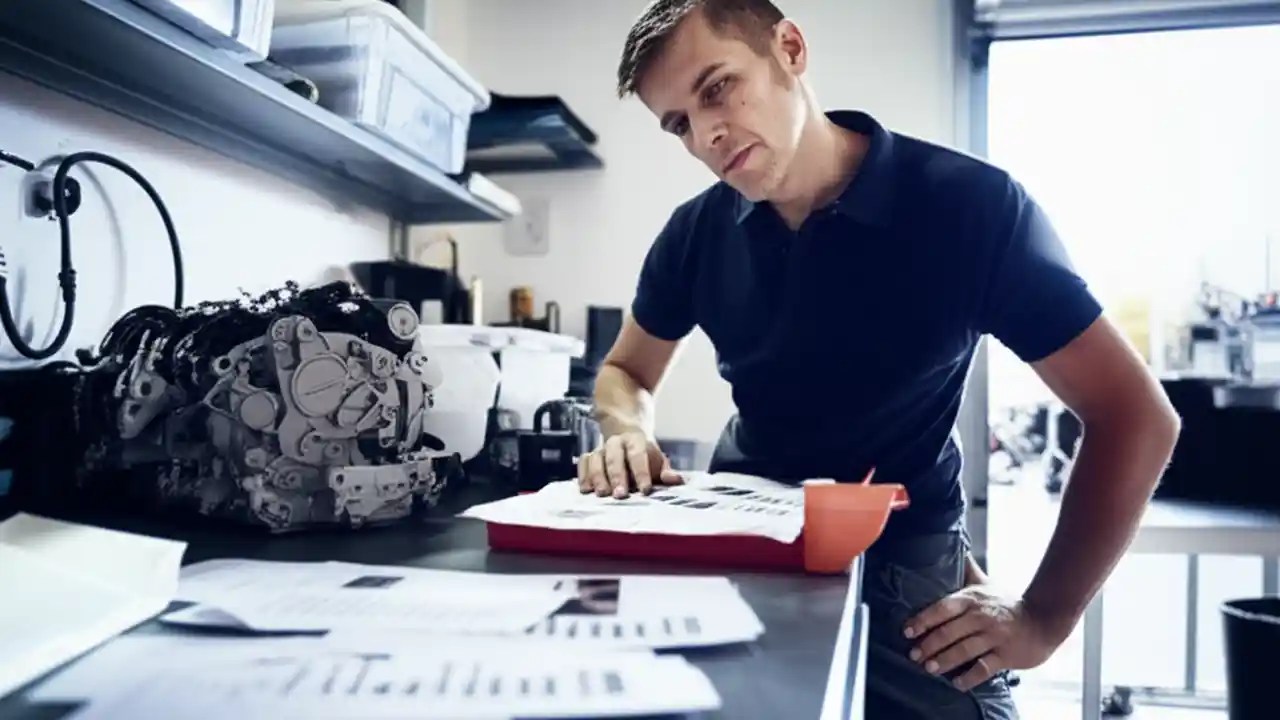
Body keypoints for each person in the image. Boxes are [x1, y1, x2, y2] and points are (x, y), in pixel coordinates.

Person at [578, 1, 1182, 718]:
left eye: (717, 88)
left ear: (791, 49)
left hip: (907, 573)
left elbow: (1134, 416)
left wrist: (1044, 618)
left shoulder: (972, 209)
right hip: (747, 543)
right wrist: (624, 430)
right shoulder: (694, 235)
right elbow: (625, 373)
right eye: (679, 123)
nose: (707, 133)